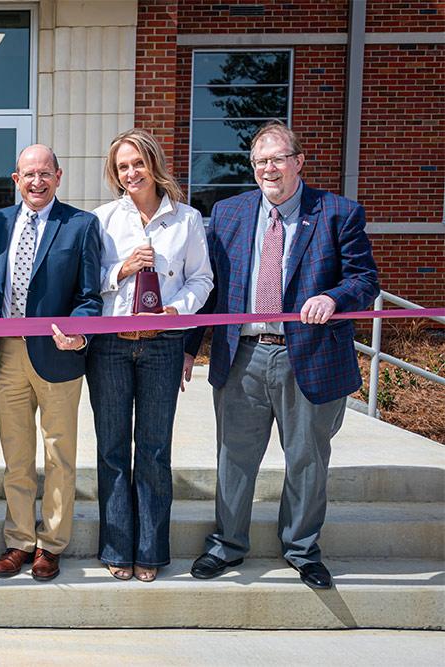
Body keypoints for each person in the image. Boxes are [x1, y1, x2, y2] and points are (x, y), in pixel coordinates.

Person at [185, 121, 379, 589]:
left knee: (307, 458)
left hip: (307, 356)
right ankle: (227, 545)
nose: (268, 168)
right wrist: (190, 348)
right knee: (234, 457)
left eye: (277, 159)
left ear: (298, 162)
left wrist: (334, 298)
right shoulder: (229, 214)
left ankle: (301, 548)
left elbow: (364, 279)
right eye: (259, 161)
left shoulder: (337, 213)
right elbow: (210, 289)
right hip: (242, 355)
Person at [87, 129, 213, 582]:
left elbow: (202, 280)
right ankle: (117, 546)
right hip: (111, 346)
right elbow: (90, 280)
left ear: (153, 164)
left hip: (162, 344)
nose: (131, 172)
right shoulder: (101, 220)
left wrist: (177, 311)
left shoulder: (187, 220)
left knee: (155, 450)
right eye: (122, 166)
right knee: (113, 449)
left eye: (138, 163)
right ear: (114, 174)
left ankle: (151, 550)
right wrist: (122, 269)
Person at [0, 144, 102, 582]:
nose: (36, 181)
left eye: (44, 173)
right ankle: (18, 541)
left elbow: (90, 297)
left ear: (58, 175)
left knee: (59, 455)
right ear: (16, 179)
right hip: (6, 353)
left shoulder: (82, 225)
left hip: (58, 353)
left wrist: (78, 331)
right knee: (16, 456)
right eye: (28, 174)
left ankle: (50, 545)